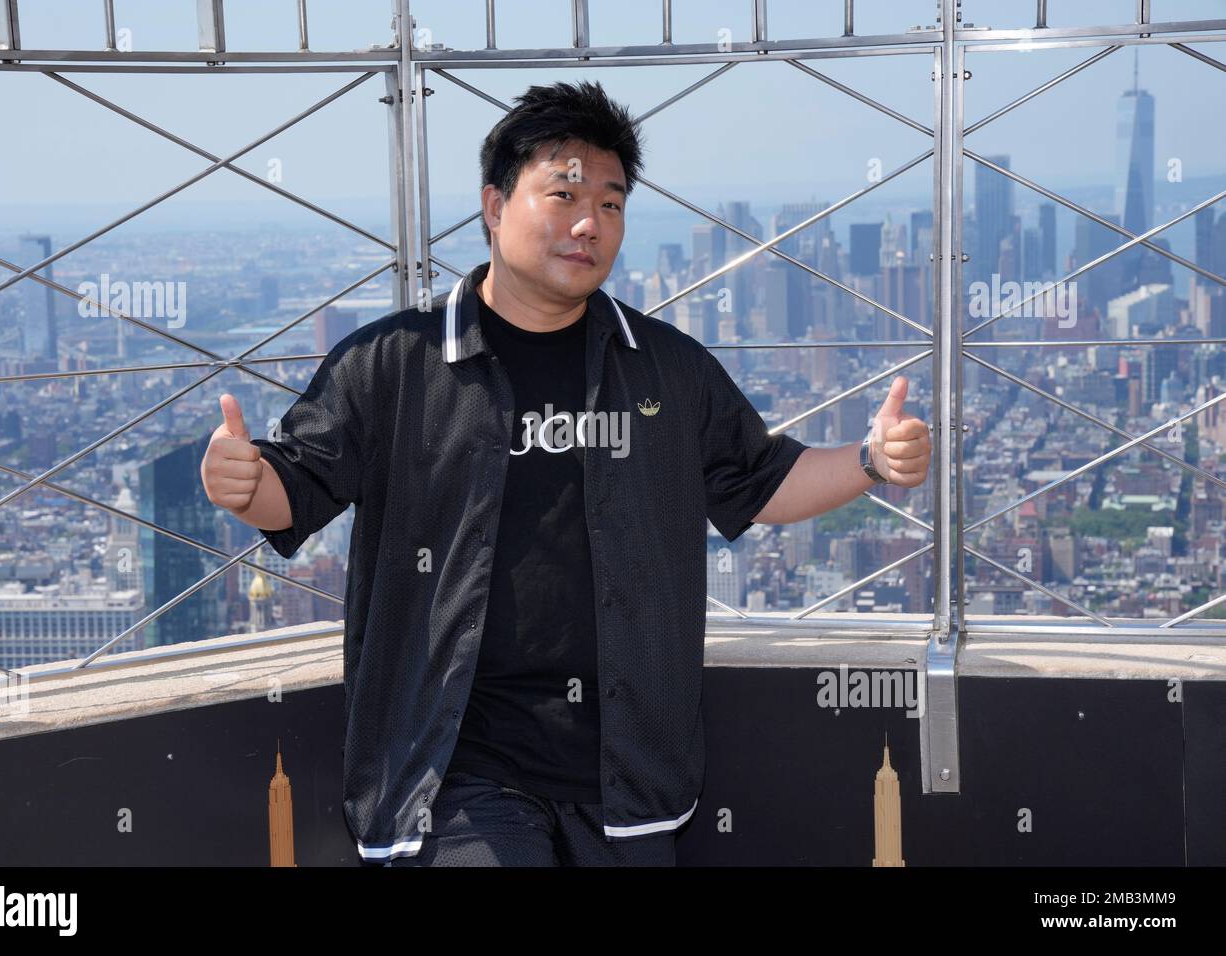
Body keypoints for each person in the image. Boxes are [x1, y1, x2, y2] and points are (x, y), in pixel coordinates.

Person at [200, 80, 932, 867]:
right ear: (493, 205)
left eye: (613, 205)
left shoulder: (665, 368)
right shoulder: (394, 365)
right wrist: (244, 482)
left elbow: (759, 482)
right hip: (455, 770)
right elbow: (296, 486)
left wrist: (868, 460)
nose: (590, 223)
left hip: (628, 776)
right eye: (564, 193)